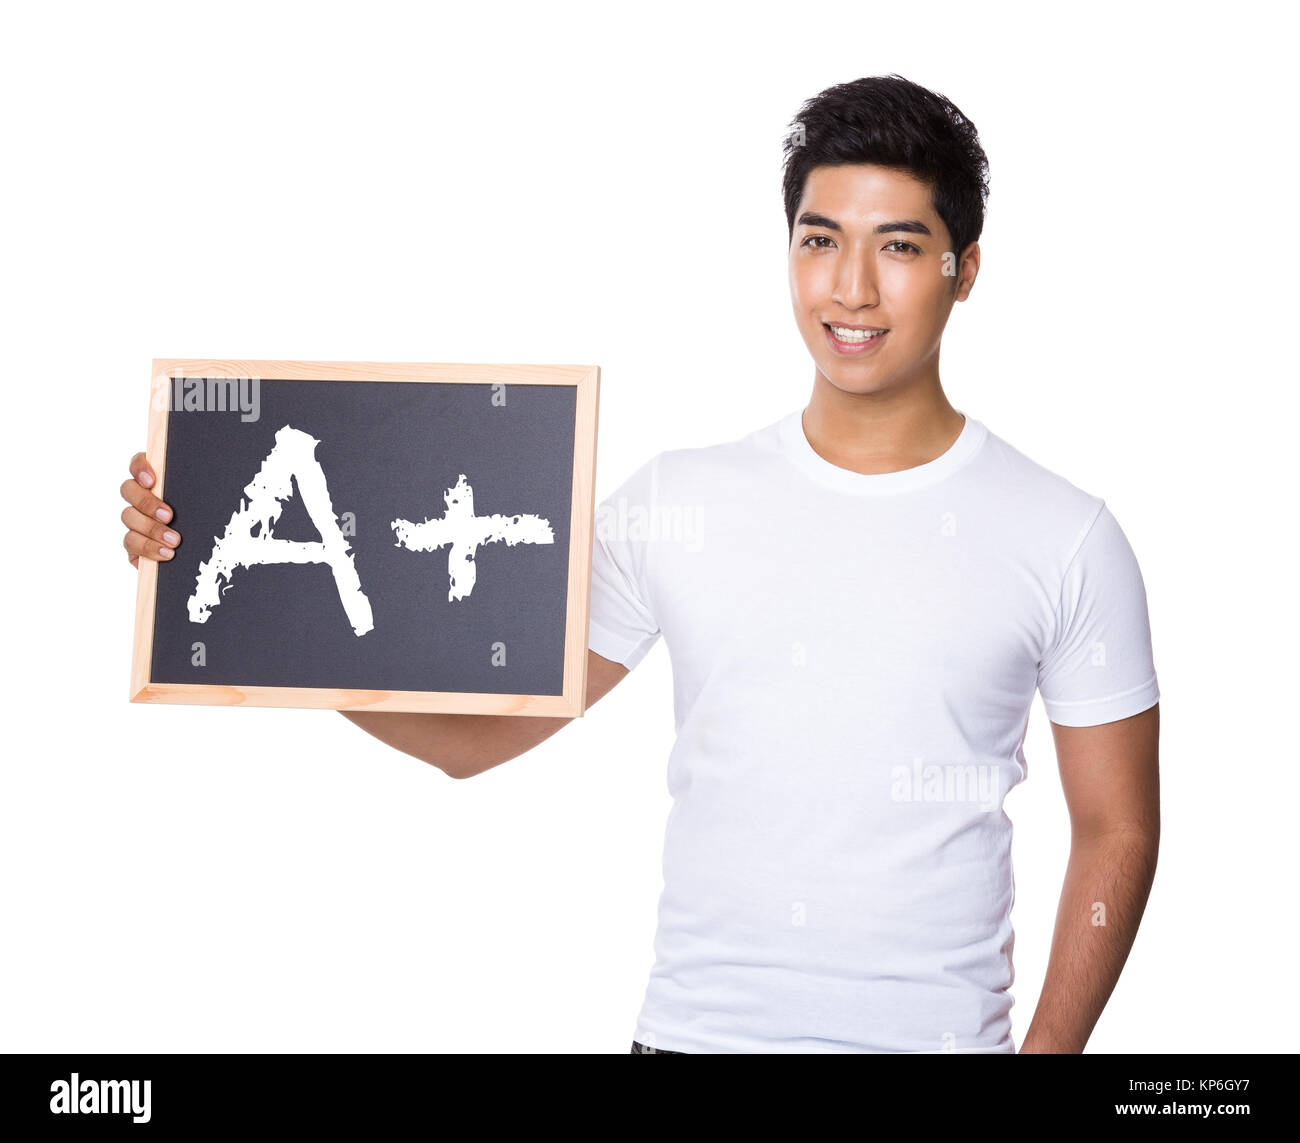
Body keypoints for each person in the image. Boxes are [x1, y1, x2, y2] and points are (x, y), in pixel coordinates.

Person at [120, 74, 1160, 1054]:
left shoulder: (1060, 532)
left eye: (896, 245)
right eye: (818, 240)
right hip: (692, 1038)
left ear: (961, 268)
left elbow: (1116, 826)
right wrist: (245, 596)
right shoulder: (679, 501)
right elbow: (470, 740)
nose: (849, 288)